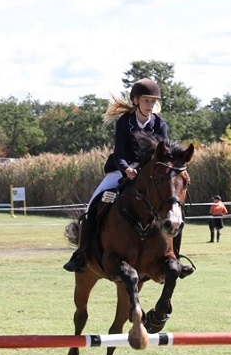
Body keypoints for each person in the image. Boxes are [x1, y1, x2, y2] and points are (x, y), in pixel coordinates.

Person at [64, 78, 169, 272]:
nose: (150, 105)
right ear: (136, 100)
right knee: (92, 205)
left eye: (153, 101)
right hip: (120, 171)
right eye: (147, 101)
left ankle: (173, 255)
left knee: (171, 208)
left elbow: (161, 156)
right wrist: (126, 169)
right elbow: (119, 153)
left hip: (147, 176)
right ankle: (81, 254)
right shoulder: (124, 122)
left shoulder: (160, 125)